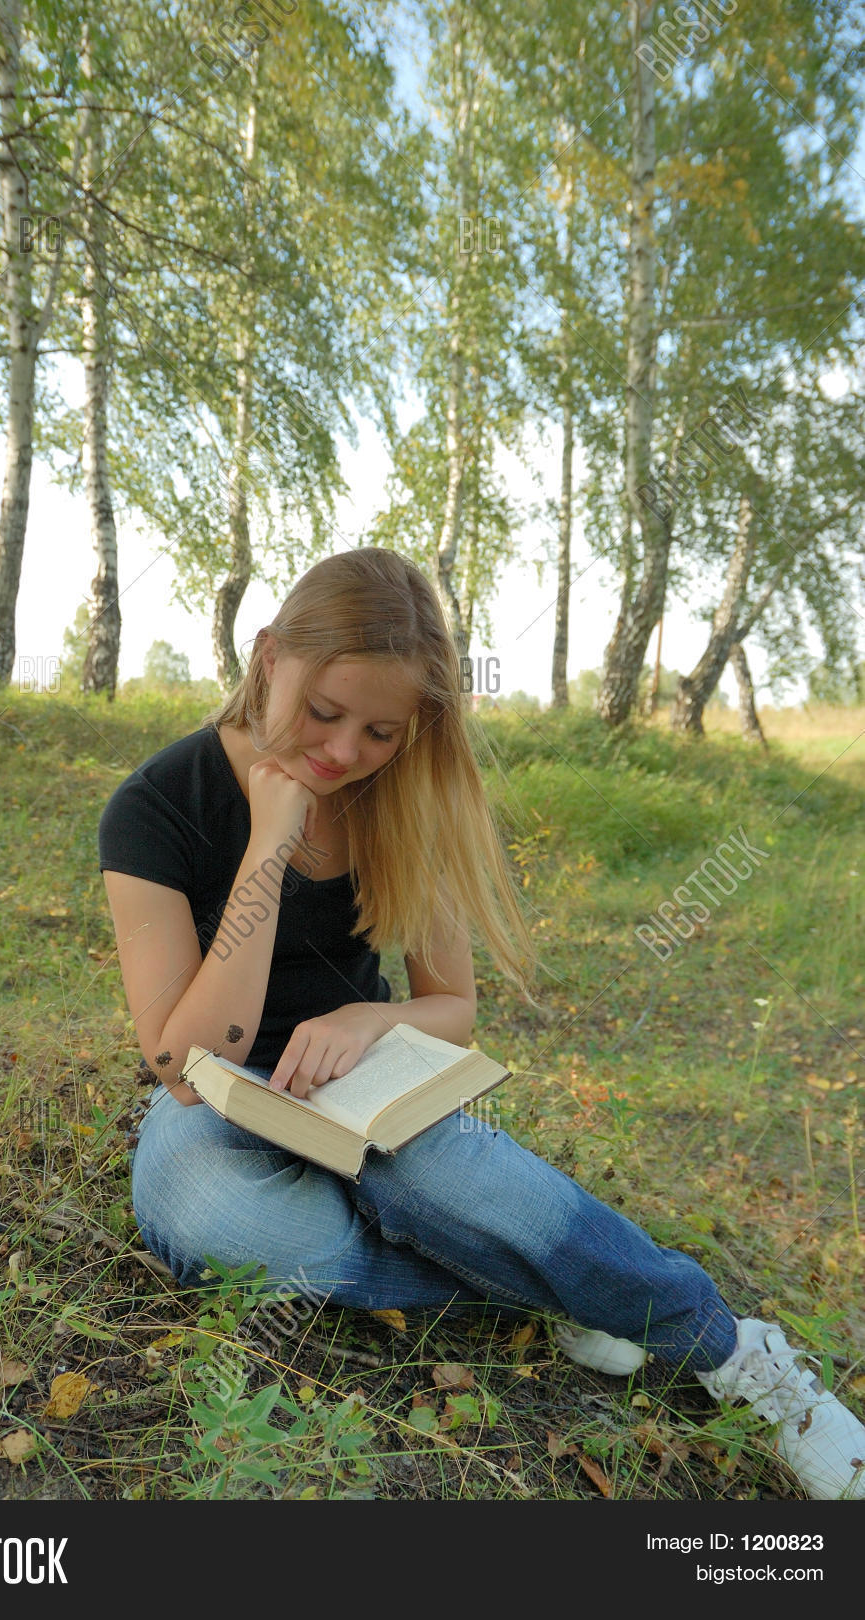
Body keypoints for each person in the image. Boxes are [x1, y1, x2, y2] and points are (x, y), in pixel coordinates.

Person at [98, 546, 864, 1502]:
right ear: (265, 657)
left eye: (380, 732)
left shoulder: (405, 799)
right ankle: (552, 1292)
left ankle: (729, 1349)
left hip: (361, 1088)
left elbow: (451, 1011)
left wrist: (369, 1018)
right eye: (324, 714)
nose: (343, 753)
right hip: (218, 1102)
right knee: (217, 1219)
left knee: (435, 1163)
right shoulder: (156, 805)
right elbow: (181, 1059)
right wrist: (269, 843)